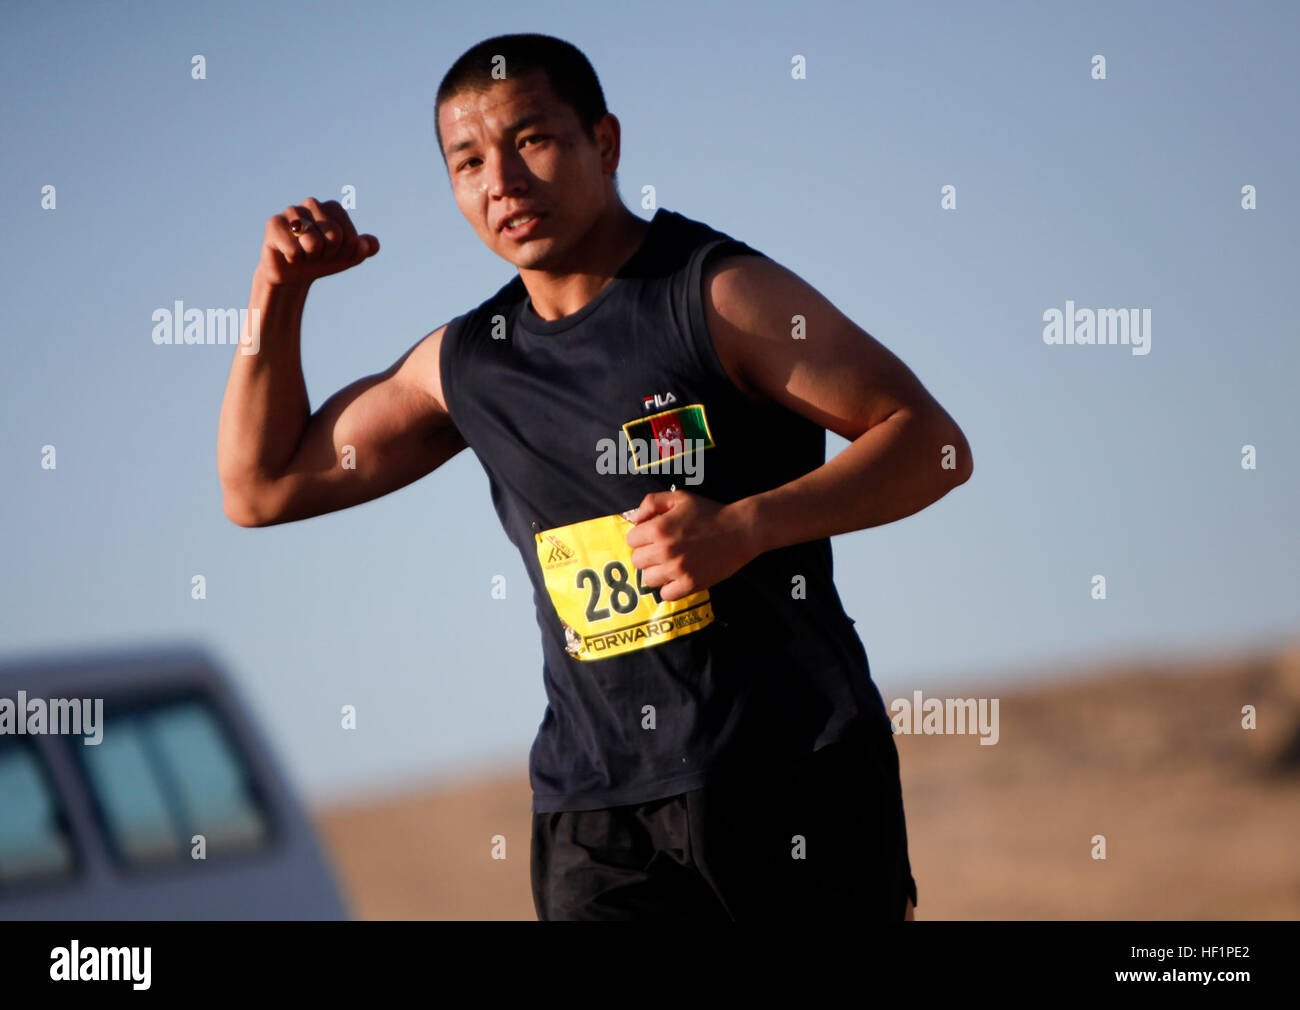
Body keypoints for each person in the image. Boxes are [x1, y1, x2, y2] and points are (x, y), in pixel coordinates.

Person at [217, 32, 973, 921]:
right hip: (595, 817)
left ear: (604, 144)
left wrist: (745, 528)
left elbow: (931, 443)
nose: (501, 179)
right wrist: (279, 292)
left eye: (531, 139)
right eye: (468, 161)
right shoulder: (469, 366)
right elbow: (258, 488)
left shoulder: (715, 297)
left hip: (794, 775)